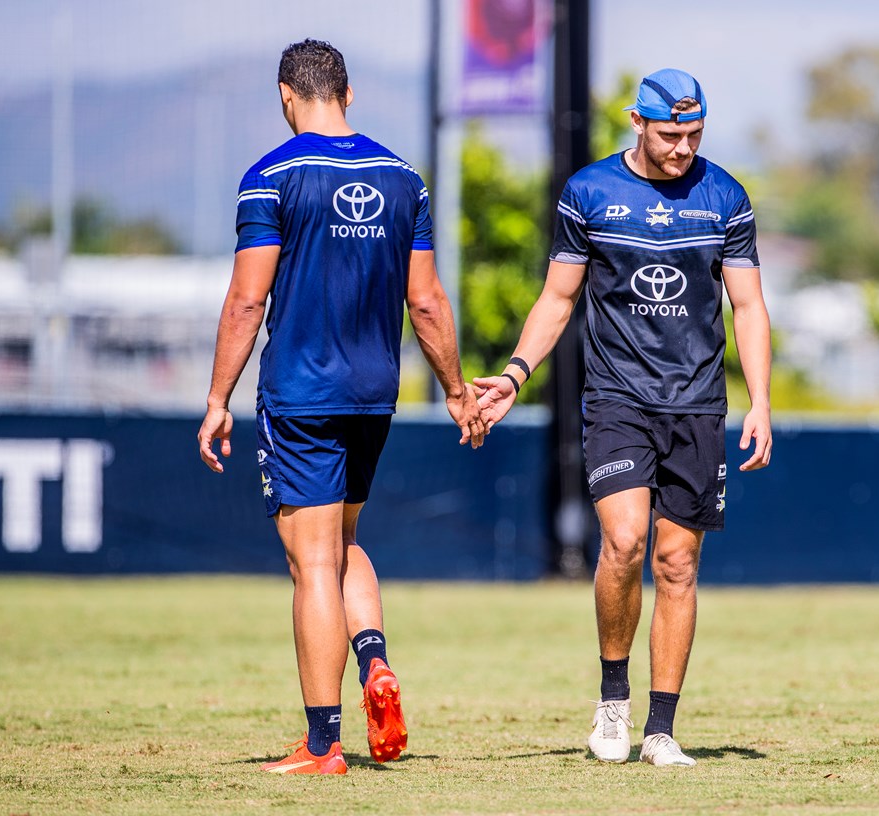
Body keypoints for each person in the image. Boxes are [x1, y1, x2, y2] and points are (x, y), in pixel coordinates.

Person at [197, 39, 486, 775]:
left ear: (286, 96)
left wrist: (216, 398)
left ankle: (323, 744)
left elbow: (245, 300)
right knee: (346, 544)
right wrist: (456, 391)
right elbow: (426, 300)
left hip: (301, 393)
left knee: (312, 565)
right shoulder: (405, 179)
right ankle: (375, 663)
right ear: (348, 94)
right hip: (372, 396)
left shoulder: (271, 176)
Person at [475, 68, 772, 767]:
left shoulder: (724, 197)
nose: (683, 148)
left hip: (697, 404)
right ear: (636, 123)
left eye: (695, 134)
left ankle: (661, 731)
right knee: (626, 542)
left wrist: (760, 400)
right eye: (671, 134)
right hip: (617, 400)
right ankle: (613, 703)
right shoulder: (589, 193)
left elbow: (750, 308)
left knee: (677, 561)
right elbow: (556, 300)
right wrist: (517, 374)